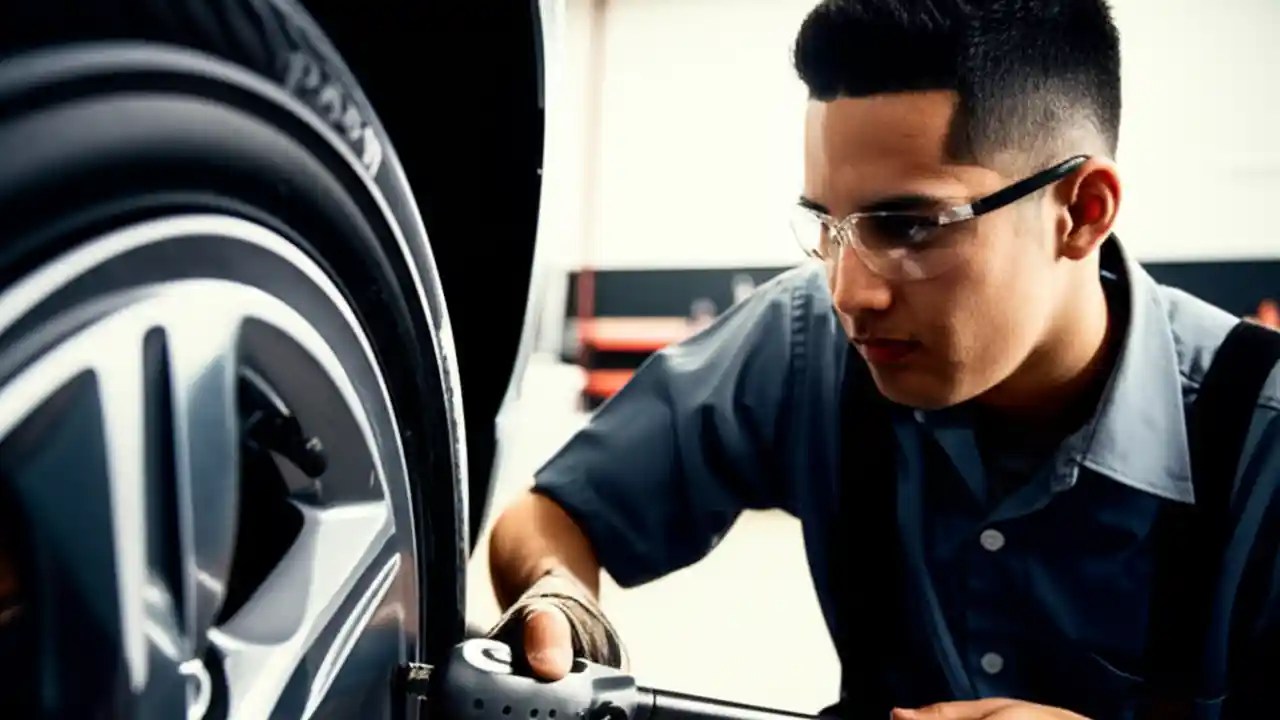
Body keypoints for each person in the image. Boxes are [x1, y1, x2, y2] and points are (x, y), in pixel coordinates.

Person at [485, 1, 1280, 718]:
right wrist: (560, 600)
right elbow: (550, 515)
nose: (848, 291)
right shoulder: (804, 344)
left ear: (1081, 212)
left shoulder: (1261, 445)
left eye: (907, 227)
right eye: (829, 225)